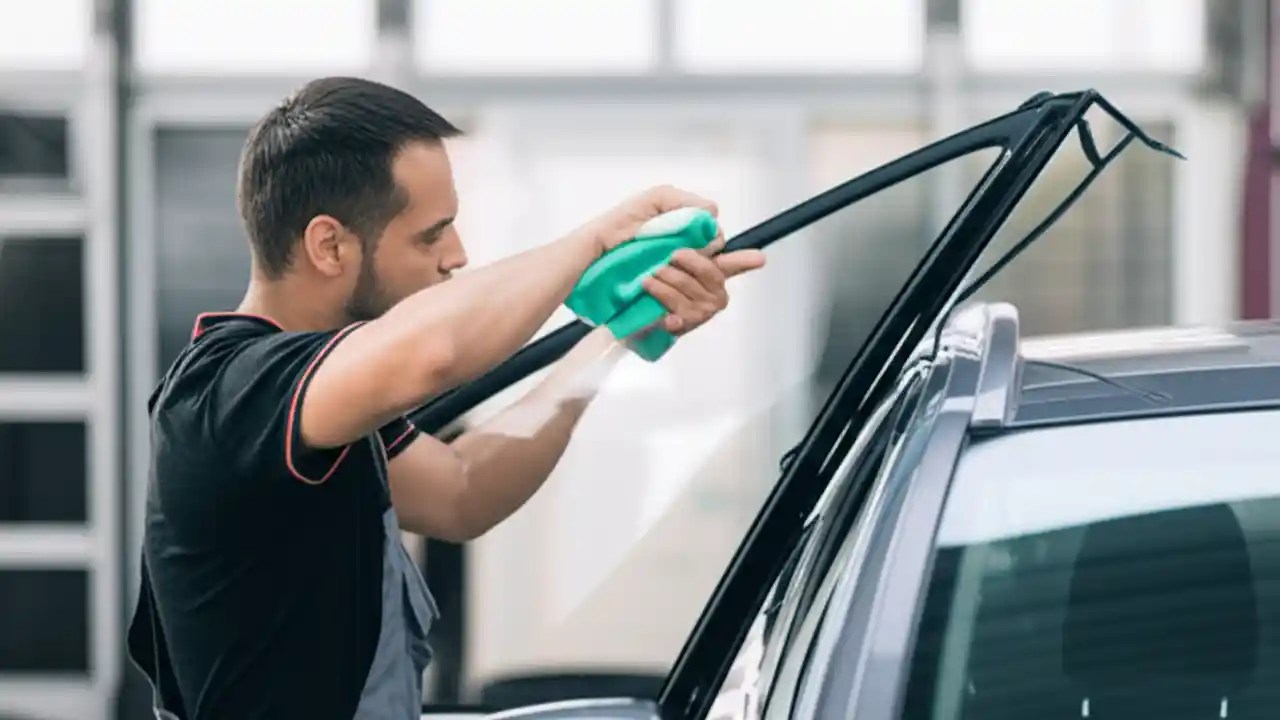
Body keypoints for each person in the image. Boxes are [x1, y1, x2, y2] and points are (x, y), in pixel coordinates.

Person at [126, 76, 766, 720]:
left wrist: (618, 335)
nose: (455, 256)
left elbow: (462, 489)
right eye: (431, 235)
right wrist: (591, 243)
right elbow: (434, 351)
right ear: (330, 245)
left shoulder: (327, 408)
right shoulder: (230, 394)